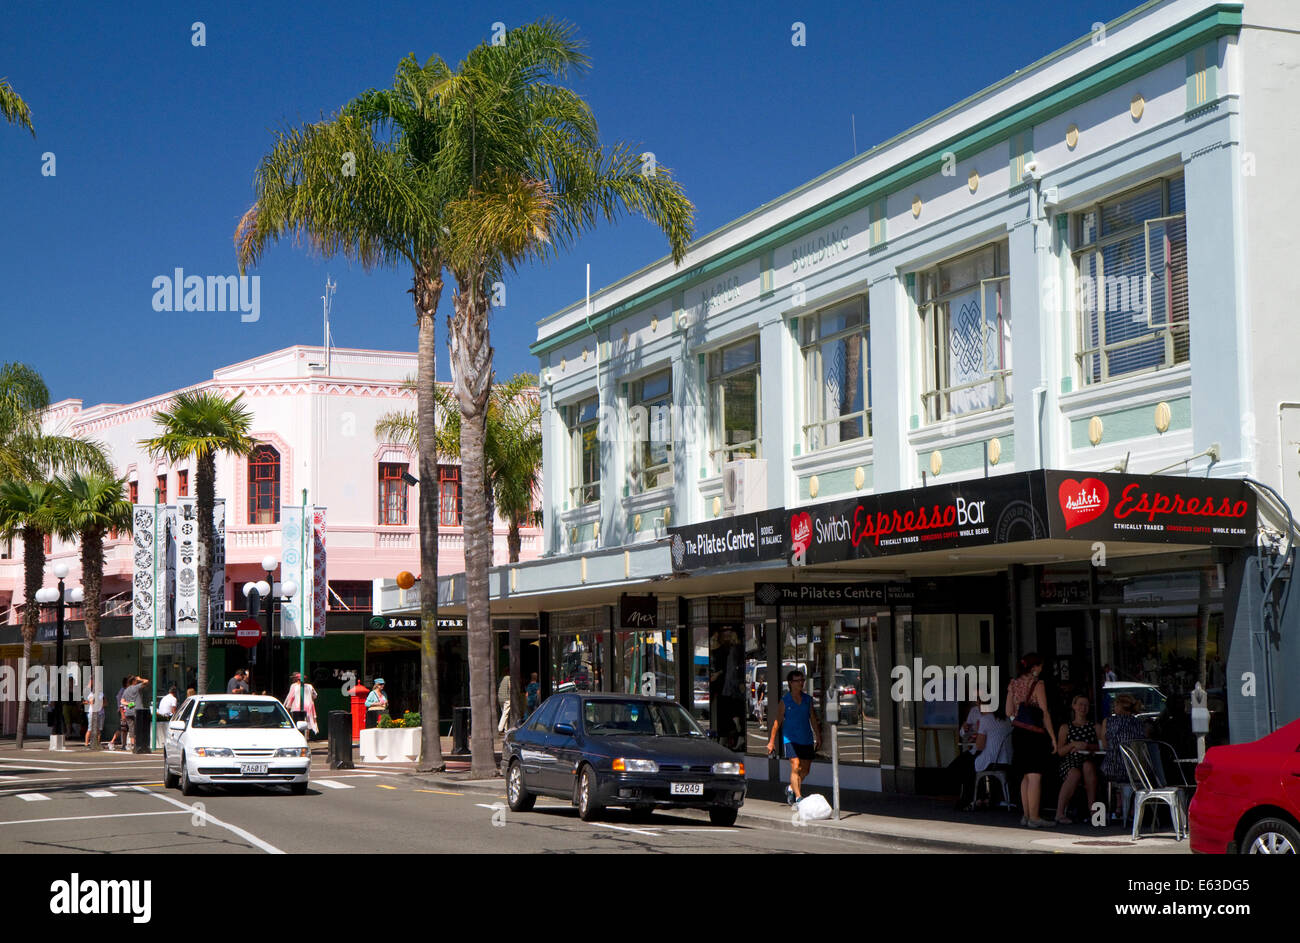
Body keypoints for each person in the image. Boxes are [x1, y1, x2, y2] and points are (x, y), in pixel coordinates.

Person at [1006, 653, 1056, 827]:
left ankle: (1026, 815)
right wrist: (1053, 738)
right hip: (1034, 734)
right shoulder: (1038, 684)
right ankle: (1035, 817)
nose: (1041, 669)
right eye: (1040, 666)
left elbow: (1008, 712)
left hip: (1018, 733)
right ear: (1034, 667)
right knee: (1035, 776)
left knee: (1025, 777)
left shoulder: (1014, 683)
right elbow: (1045, 713)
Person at [765, 669, 821, 807]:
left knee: (805, 770)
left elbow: (813, 719)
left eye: (802, 680)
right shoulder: (785, 701)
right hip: (790, 739)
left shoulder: (808, 700)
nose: (801, 683)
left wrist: (818, 737)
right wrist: (771, 742)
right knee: (795, 766)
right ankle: (798, 797)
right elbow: (777, 721)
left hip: (806, 738)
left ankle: (791, 787)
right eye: (797, 681)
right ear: (790, 683)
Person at [1053, 694, 1101, 825]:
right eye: (1080, 704)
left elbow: (1104, 747)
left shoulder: (1095, 727)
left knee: (1088, 767)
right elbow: (1060, 751)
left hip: (1089, 759)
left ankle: (1093, 813)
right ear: (1074, 706)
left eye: (1086, 705)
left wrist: (1087, 746)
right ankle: (1060, 813)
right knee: (1074, 773)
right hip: (1070, 761)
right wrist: (1073, 744)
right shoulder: (1065, 727)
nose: (1083, 707)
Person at [954, 706, 1014, 809]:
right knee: (966, 761)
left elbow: (980, 746)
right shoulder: (1008, 719)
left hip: (992, 761)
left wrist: (978, 737)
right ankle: (979, 798)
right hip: (1006, 759)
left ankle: (970, 799)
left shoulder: (985, 719)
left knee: (964, 764)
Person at [1101, 693, 1149, 783]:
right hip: (1136, 770)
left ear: (1119, 706)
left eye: (1114, 705)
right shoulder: (1140, 723)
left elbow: (1104, 746)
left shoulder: (1108, 722)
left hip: (1112, 768)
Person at [284, 672, 319, 737]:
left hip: (297, 708)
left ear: (297, 679)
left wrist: (287, 707)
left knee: (298, 723)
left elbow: (290, 697)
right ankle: (307, 738)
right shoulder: (310, 686)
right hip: (309, 708)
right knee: (307, 722)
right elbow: (315, 696)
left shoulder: (294, 686)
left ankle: (300, 737)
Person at [108, 676, 129, 750]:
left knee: (125, 729)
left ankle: (124, 745)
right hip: (123, 711)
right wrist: (122, 714)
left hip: (126, 711)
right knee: (121, 728)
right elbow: (120, 703)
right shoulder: (122, 691)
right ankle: (112, 742)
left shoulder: (126, 690)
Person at [83, 678, 105, 747]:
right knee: (90, 728)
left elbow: (105, 703)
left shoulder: (101, 694)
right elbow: (92, 703)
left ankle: (97, 743)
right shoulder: (91, 694)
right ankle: (86, 743)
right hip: (92, 713)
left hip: (101, 713)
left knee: (99, 729)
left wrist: (101, 705)